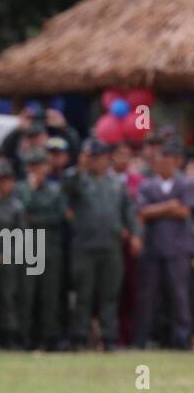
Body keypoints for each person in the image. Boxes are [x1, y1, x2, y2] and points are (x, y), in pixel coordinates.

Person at [62, 139, 140, 351]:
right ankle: (80, 338)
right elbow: (67, 187)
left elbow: (128, 213)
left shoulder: (117, 184)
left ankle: (109, 337)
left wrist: (135, 235)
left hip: (111, 246)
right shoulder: (79, 180)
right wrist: (80, 165)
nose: (96, 162)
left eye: (99, 157)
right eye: (92, 157)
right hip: (85, 247)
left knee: (110, 295)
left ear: (106, 159)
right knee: (83, 295)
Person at [133, 141, 194, 350]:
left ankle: (181, 339)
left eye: (166, 161)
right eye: (158, 161)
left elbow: (184, 211)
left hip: (178, 249)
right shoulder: (146, 184)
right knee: (147, 297)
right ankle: (142, 339)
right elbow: (141, 212)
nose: (162, 165)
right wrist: (168, 206)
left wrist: (154, 210)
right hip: (152, 248)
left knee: (179, 296)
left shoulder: (186, 184)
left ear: (175, 162)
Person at [14, 149, 69, 351]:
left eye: (40, 165)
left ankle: (50, 338)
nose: (37, 170)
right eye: (33, 166)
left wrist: (35, 218)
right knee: (26, 295)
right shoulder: (21, 188)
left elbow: (58, 216)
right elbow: (21, 213)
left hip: (50, 248)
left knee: (50, 296)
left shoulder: (56, 189)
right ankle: (24, 337)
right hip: (28, 248)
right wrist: (31, 190)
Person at [0, 162, 27, 349]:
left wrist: (7, 254)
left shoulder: (16, 206)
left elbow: (21, 235)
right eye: (0, 181)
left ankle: (9, 336)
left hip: (9, 258)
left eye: (7, 181)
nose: (4, 185)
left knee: (8, 297)